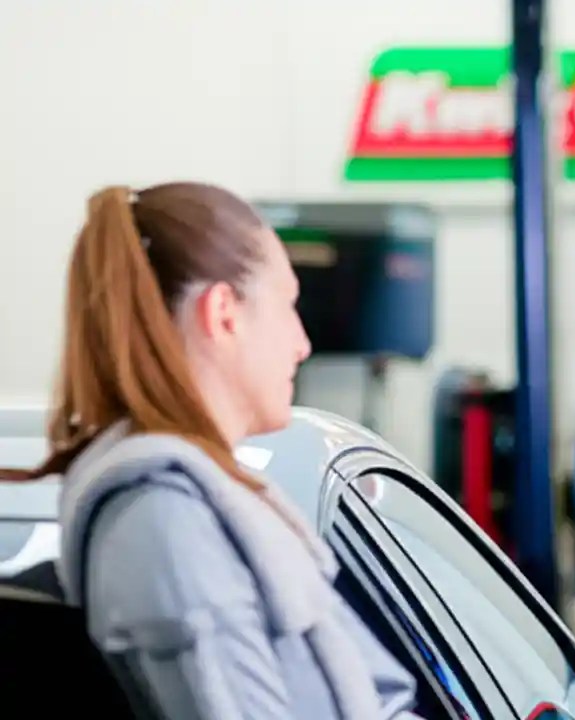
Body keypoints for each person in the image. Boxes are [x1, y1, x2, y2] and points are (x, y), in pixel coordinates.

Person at [6, 182, 424, 718]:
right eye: (288, 305)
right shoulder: (165, 521)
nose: (302, 344)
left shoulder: (205, 508)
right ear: (224, 312)